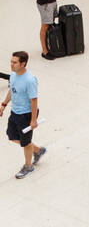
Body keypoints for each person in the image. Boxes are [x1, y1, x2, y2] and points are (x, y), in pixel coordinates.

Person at [1, 50, 45, 179]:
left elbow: (34, 100)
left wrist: (33, 120)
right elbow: (12, 90)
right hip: (15, 112)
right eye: (11, 61)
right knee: (12, 136)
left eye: (14, 62)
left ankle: (28, 166)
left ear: (23, 64)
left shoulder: (30, 80)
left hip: (26, 115)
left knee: (25, 142)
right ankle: (37, 150)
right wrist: (3, 104)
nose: (11, 64)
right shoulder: (14, 75)